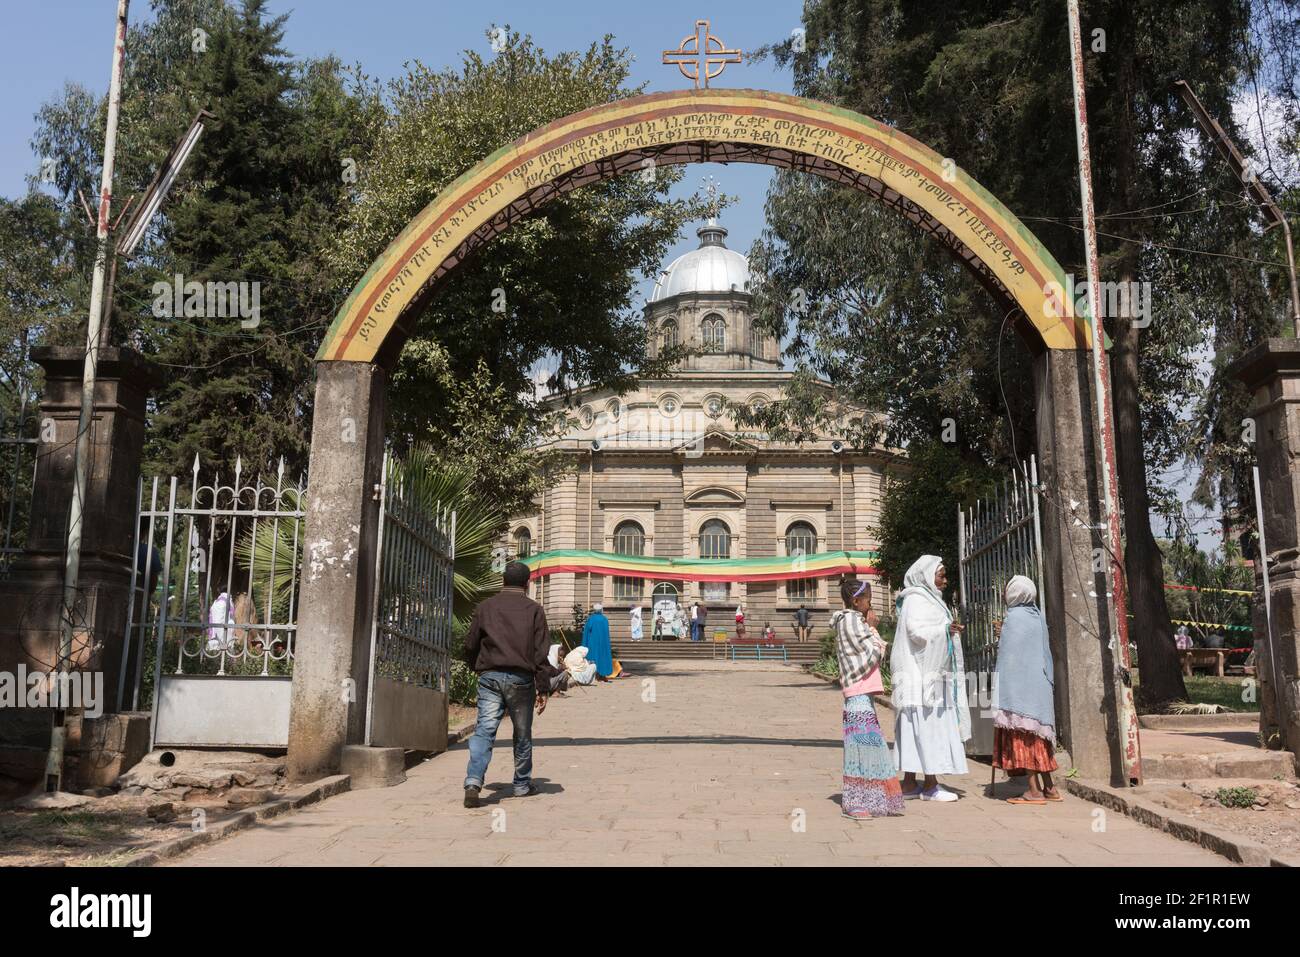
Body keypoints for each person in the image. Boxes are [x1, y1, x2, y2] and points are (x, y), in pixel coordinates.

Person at [462, 561, 560, 808]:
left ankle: (473, 781)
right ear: (527, 584)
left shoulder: (486, 607)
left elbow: (471, 644)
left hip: (490, 676)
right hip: (521, 680)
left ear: (503, 581)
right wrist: (544, 687)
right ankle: (521, 785)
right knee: (522, 733)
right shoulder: (534, 610)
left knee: (484, 730)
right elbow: (541, 653)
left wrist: (477, 667)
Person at [890, 555, 971, 801]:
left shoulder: (929, 599)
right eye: (941, 575)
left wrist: (948, 630)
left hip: (926, 676)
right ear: (926, 575)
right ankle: (930, 785)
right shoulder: (916, 599)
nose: (945, 581)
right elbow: (916, 632)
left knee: (917, 728)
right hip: (920, 678)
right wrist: (945, 630)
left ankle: (910, 783)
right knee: (926, 727)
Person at [833, 578, 905, 819]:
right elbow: (870, 652)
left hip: (862, 694)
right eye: (868, 599)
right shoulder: (851, 622)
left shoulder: (852, 620)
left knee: (868, 746)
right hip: (857, 694)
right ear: (856, 601)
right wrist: (873, 628)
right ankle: (855, 801)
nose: (870, 604)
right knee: (860, 748)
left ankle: (872, 798)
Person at [991, 575, 1060, 804]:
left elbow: (1009, 658)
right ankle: (1050, 788)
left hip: (1020, 693)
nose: (1003, 595)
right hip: (1038, 690)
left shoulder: (1015, 618)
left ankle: (1033, 791)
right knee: (1039, 739)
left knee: (1023, 737)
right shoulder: (1037, 616)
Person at [582, 603, 620, 678]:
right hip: (603, 642)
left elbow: (586, 631)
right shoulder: (604, 619)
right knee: (602, 657)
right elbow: (606, 633)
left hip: (592, 642)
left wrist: (585, 643)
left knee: (594, 657)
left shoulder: (591, 619)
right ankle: (602, 674)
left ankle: (594, 674)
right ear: (601, 610)